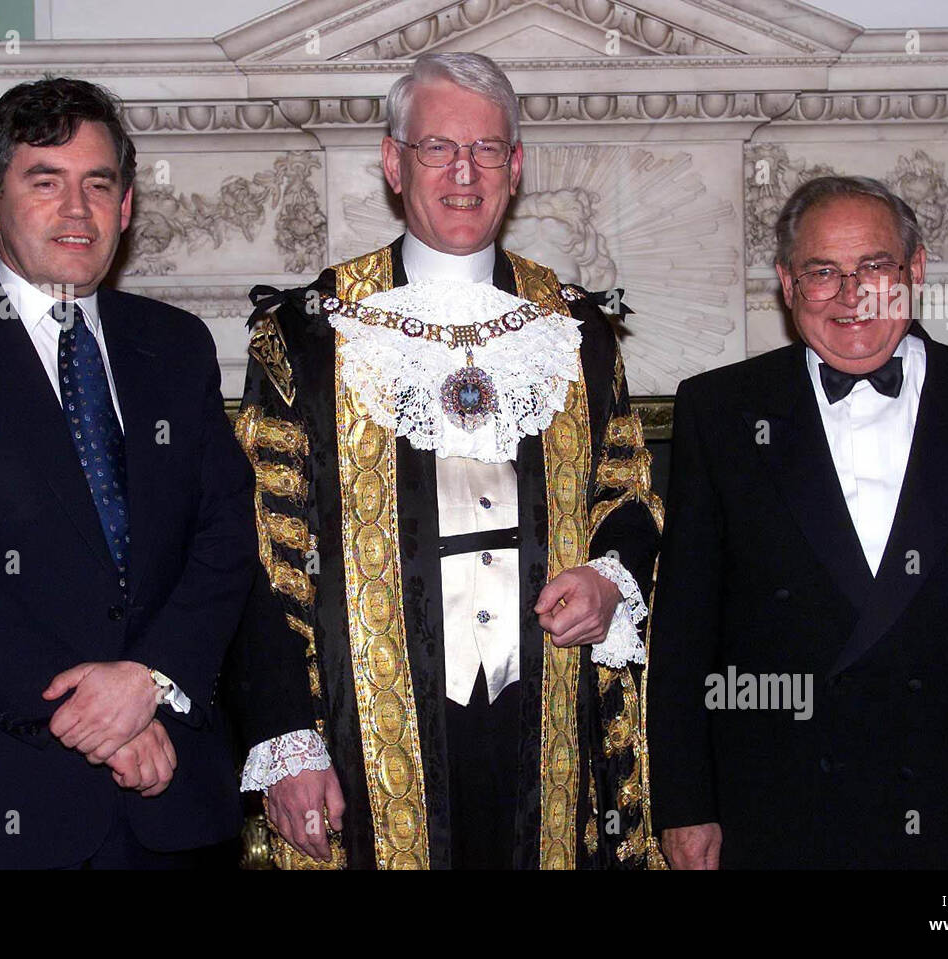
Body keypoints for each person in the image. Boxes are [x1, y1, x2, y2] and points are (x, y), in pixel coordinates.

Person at [0, 77, 312, 869]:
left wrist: (150, 681)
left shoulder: (178, 346)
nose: (76, 210)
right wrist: (105, 717)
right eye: (45, 182)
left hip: (176, 811)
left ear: (126, 208)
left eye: (98, 185)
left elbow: (225, 537)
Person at [236, 52, 664, 869]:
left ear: (517, 166)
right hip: (368, 724)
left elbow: (630, 494)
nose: (464, 173)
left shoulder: (578, 329)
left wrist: (611, 577)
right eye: (438, 148)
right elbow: (262, 552)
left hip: (546, 708)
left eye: (488, 150)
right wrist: (287, 737)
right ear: (395, 164)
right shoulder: (307, 334)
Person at [648, 175, 948, 869]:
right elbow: (682, 636)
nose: (850, 294)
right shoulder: (720, 413)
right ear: (787, 283)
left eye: (875, 267)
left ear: (915, 271)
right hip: (776, 814)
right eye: (823, 271)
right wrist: (684, 804)